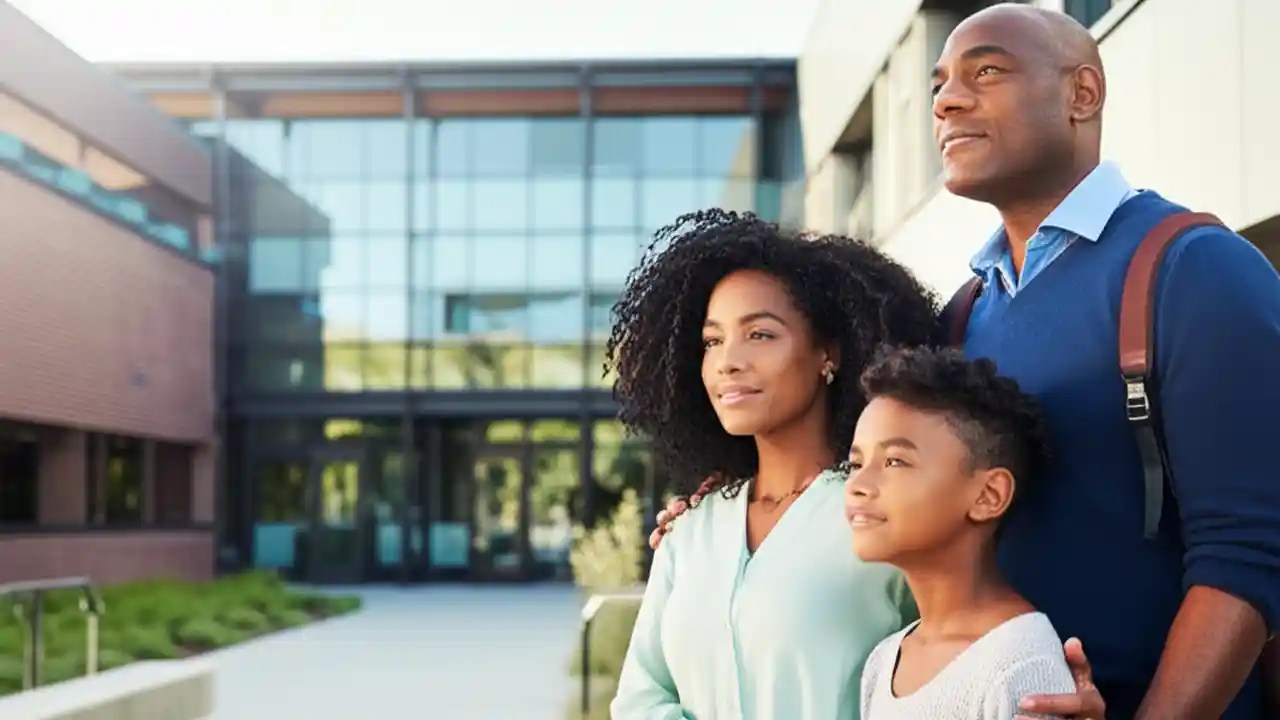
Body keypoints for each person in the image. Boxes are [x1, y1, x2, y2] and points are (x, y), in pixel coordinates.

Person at [931, 4, 1280, 719]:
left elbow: (1249, 554)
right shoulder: (964, 313)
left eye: (986, 71)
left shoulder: (1196, 269)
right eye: (939, 84)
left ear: (1081, 95)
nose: (947, 100)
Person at [606, 208, 939, 719]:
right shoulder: (692, 530)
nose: (728, 361)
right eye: (712, 341)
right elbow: (641, 697)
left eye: (759, 334)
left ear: (828, 353)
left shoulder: (889, 512)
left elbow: (950, 675)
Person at [846, 345, 1075, 719]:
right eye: (855, 462)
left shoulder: (1020, 664)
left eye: (895, 461)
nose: (858, 483)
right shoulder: (884, 661)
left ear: (988, 495)